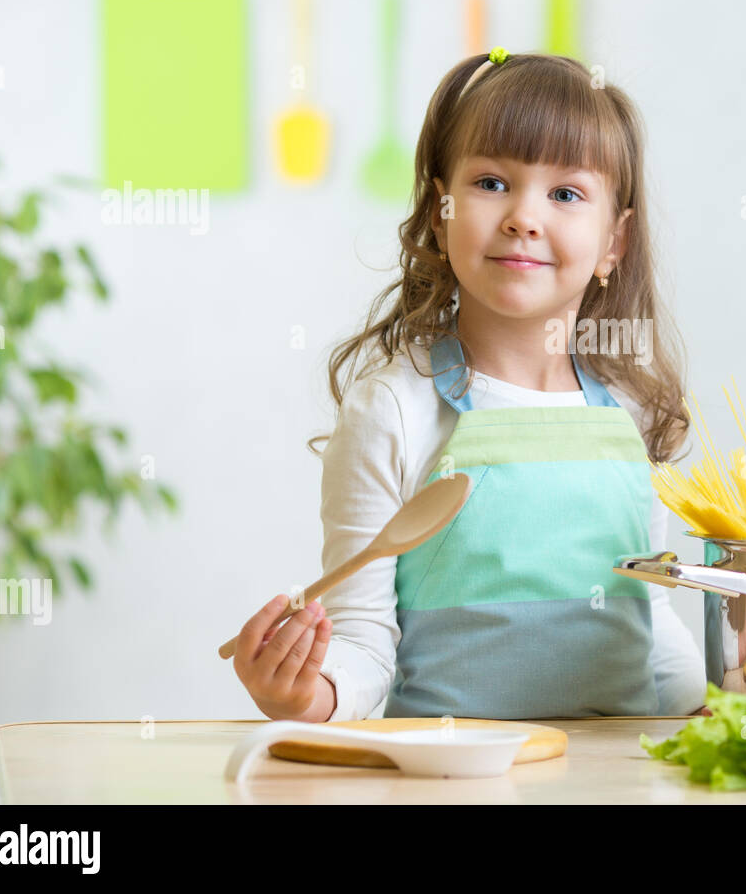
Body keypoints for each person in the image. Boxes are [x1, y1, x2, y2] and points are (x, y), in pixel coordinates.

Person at [232, 49, 707, 721]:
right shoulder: (393, 410)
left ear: (615, 242)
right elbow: (365, 644)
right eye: (491, 183)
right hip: (446, 783)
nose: (523, 216)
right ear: (438, 210)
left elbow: (649, 619)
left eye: (566, 194)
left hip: (615, 783)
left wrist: (724, 712)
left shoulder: (632, 414)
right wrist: (306, 693)